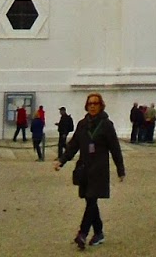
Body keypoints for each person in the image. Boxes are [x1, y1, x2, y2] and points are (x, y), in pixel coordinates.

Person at [56, 91, 125, 250]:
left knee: (92, 199)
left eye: (96, 103)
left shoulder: (106, 125)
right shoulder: (82, 124)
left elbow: (115, 148)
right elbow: (73, 145)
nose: (93, 106)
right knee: (90, 201)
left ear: (101, 106)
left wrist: (120, 169)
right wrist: (61, 160)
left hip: (99, 169)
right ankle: (99, 232)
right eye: (90, 104)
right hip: (85, 168)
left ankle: (82, 233)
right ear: (86, 106)